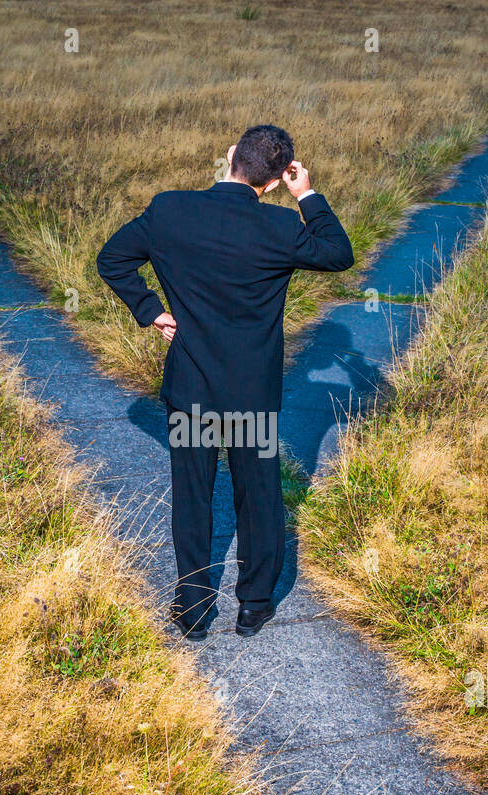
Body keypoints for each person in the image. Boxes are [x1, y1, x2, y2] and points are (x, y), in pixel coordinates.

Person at [97, 124, 353, 638]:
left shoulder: (169, 210)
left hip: (191, 391)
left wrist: (151, 311)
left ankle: (192, 610)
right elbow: (338, 252)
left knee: (191, 496)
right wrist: (308, 196)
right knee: (257, 497)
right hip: (251, 400)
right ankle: (254, 605)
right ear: (278, 179)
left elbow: (112, 259)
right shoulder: (281, 228)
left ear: (231, 156)